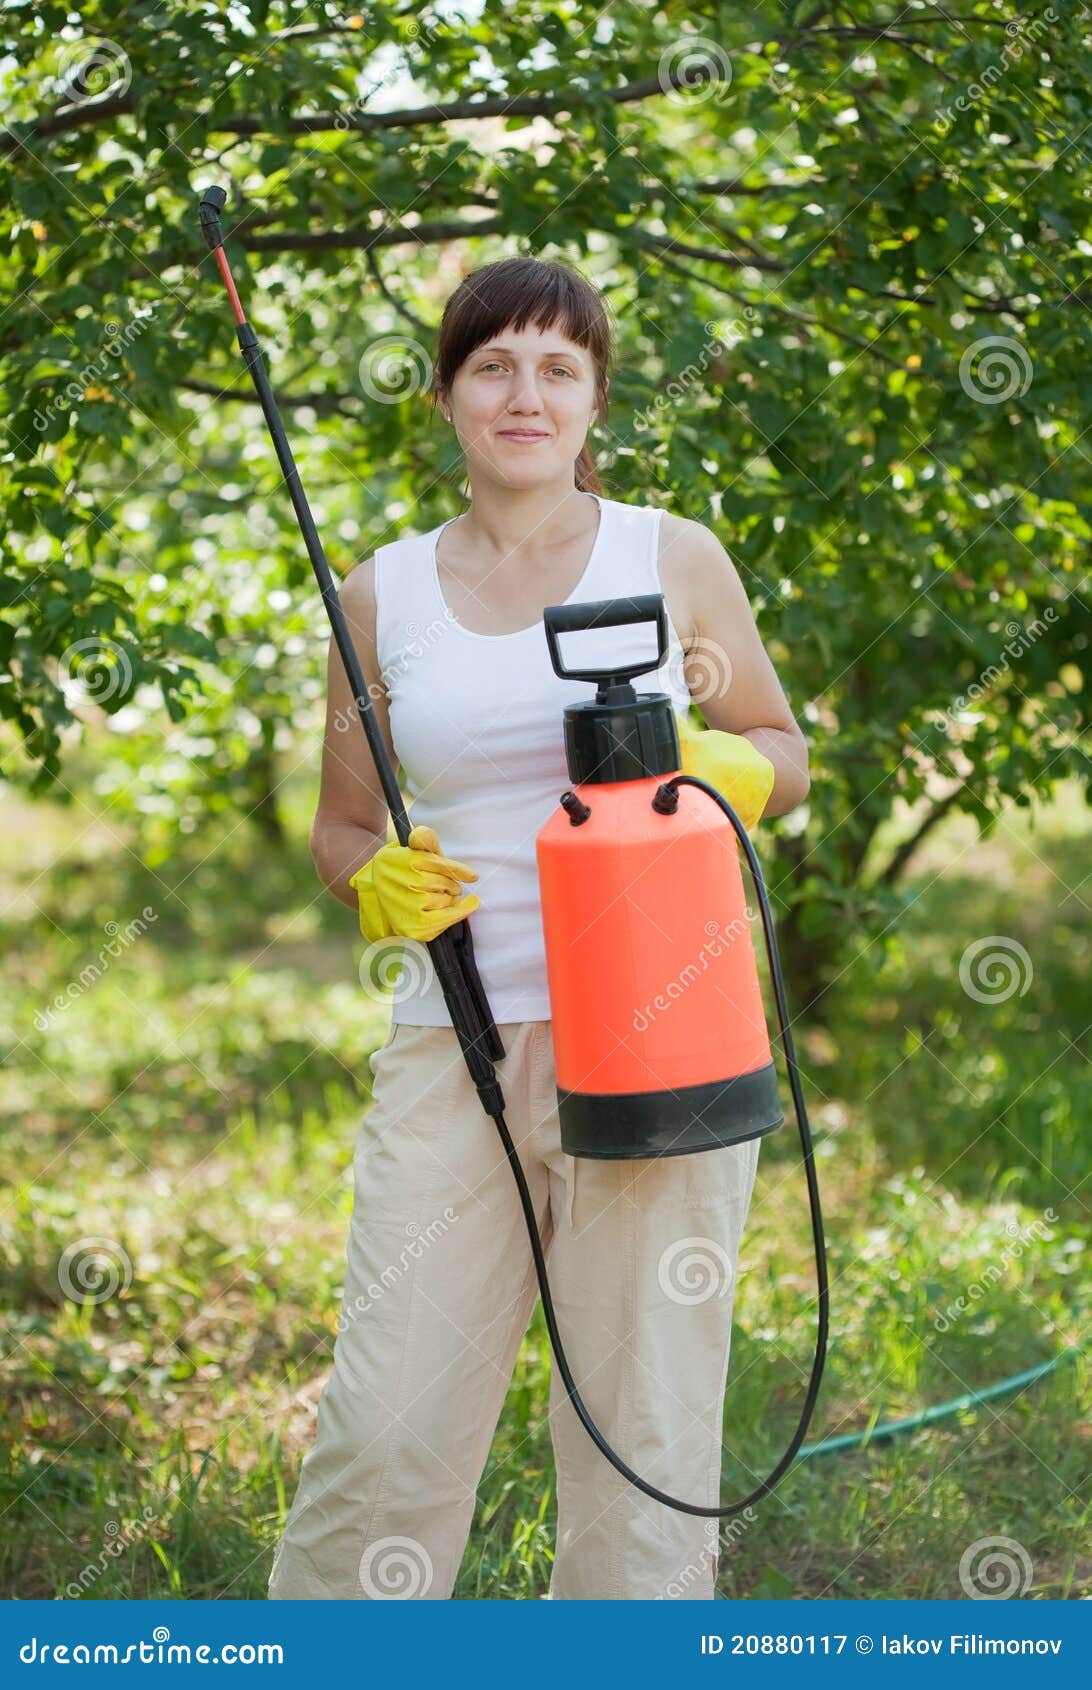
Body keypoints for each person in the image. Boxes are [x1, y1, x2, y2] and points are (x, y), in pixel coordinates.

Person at [267, 256, 810, 1602]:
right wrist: (370, 877)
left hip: (664, 1038)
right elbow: (341, 824)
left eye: (559, 366)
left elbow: (783, 750)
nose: (526, 392)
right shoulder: (378, 598)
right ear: (447, 394)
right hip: (456, 1039)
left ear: (594, 400)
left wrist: (733, 770)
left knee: (644, 1438)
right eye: (495, 363)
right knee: (387, 1425)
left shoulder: (669, 555)